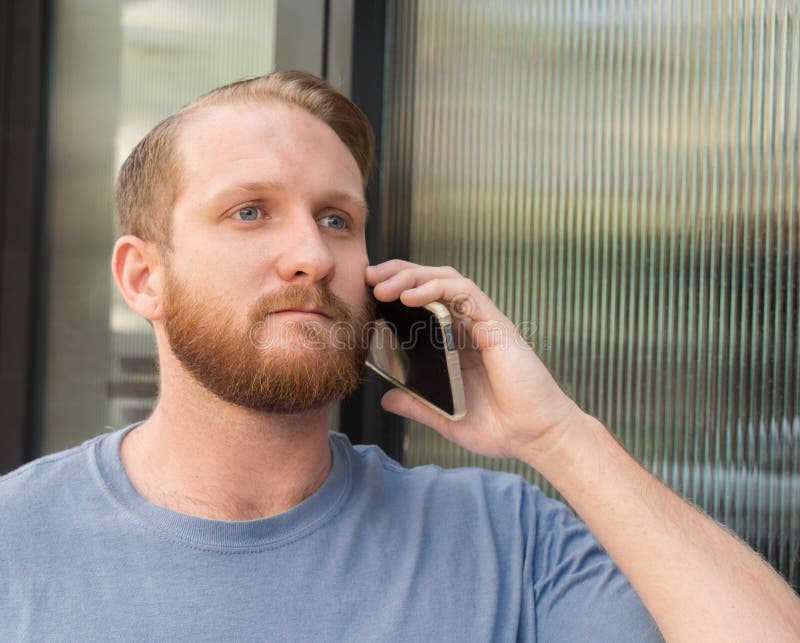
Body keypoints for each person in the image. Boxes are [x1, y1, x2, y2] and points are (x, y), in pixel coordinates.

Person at [1, 70, 798, 642]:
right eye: (251, 212)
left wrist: (557, 436)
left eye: (338, 219)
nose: (311, 254)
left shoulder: (509, 541)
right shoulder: (16, 540)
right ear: (144, 277)